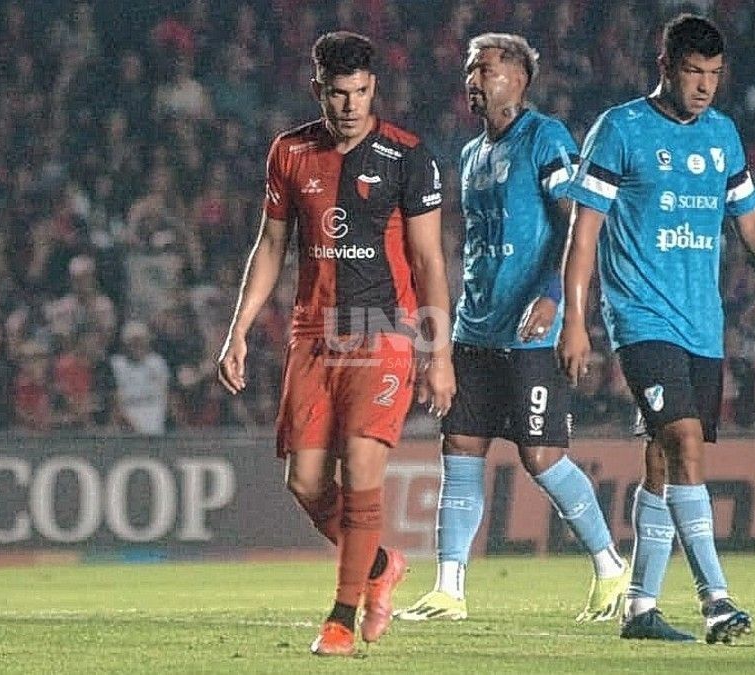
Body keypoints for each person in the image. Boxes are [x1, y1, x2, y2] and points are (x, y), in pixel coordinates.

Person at [558, 14, 755, 644]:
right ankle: (717, 598)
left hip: (702, 326)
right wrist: (575, 318)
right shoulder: (620, 129)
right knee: (684, 440)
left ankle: (640, 608)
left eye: (714, 75)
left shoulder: (723, 136)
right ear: (665, 67)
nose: (705, 86)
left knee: (661, 461)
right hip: (640, 319)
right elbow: (585, 232)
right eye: (693, 72)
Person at [216, 31, 455, 657]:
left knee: (362, 464)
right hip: (313, 334)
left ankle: (341, 620)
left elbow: (430, 261)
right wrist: (238, 329)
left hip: (383, 332)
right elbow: (270, 247)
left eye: (360, 92)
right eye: (337, 93)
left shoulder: (409, 156)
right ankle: (378, 565)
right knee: (306, 482)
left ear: (373, 87)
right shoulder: (290, 151)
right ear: (317, 88)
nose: (349, 105)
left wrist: (440, 354)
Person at [397, 33, 628, 626]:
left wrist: (558, 301)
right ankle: (448, 589)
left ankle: (610, 567)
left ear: (521, 78)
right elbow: (471, 246)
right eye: (470, 70)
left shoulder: (546, 138)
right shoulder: (472, 153)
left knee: (542, 456)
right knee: (461, 450)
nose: (474, 80)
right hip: (477, 330)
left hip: (532, 331)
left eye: (487, 69)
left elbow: (576, 227)